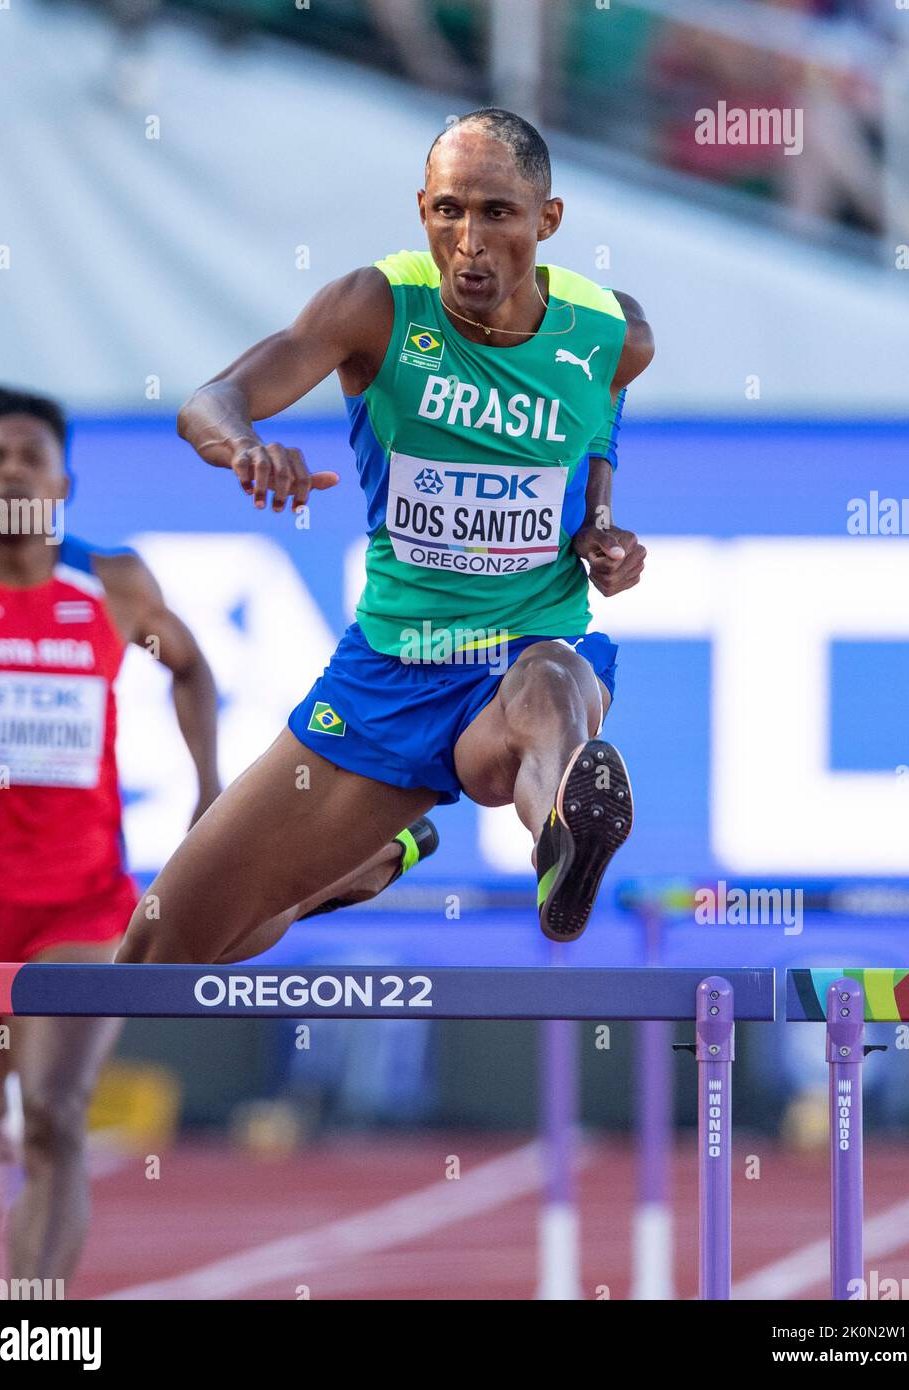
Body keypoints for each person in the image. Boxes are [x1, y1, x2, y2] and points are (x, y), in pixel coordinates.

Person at [118, 106, 653, 970]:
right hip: (389, 674)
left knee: (553, 677)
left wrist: (598, 530)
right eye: (449, 211)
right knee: (155, 959)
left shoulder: (613, 335)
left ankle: (562, 837)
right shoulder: (377, 306)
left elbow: (596, 431)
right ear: (422, 211)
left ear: (547, 222)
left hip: (519, 658)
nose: (469, 241)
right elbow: (207, 403)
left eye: (497, 213)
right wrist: (246, 446)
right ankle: (354, 868)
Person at [0, 385, 220, 1283]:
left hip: (77, 907)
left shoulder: (112, 585)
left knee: (58, 1118)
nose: (12, 470)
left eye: (31, 455)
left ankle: (33, 1324)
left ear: (64, 479)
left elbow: (188, 666)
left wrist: (208, 788)